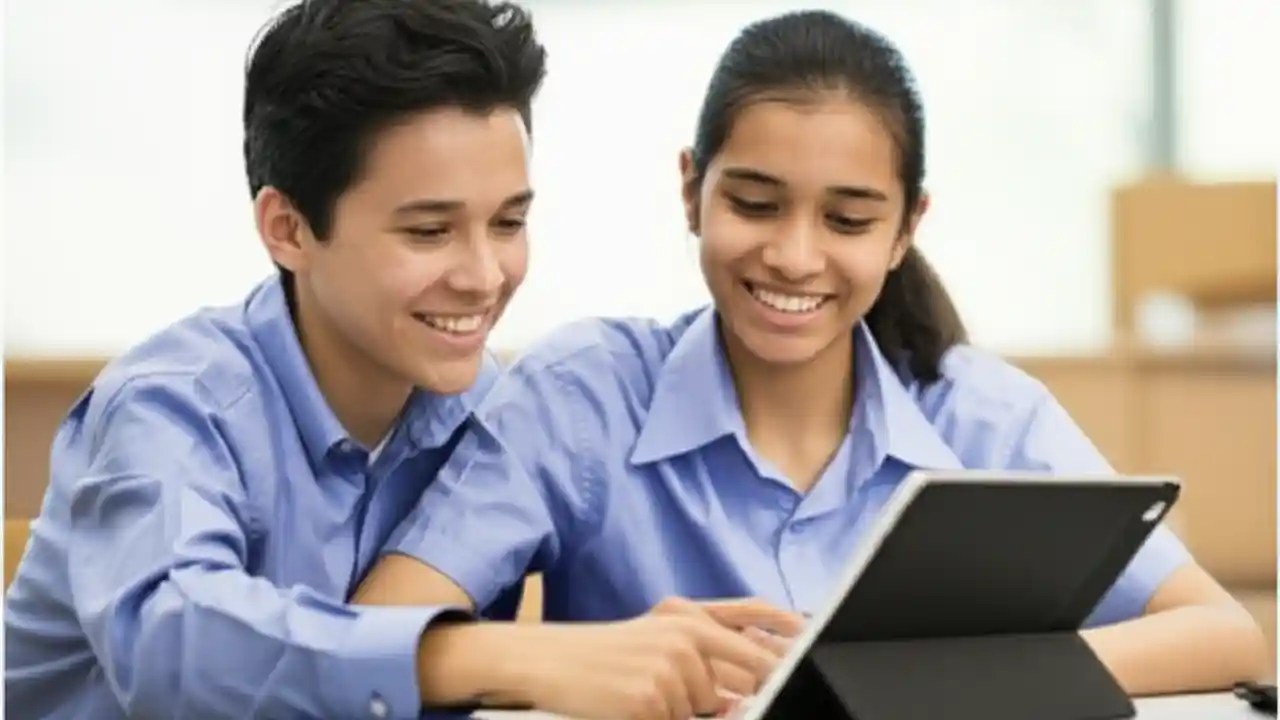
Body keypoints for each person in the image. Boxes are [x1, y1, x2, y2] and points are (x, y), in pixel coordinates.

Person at [356, 7, 1271, 710]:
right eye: (754, 204)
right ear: (691, 190)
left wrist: (902, 685)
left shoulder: (983, 415)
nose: (794, 256)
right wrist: (573, 664)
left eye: (848, 220)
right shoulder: (582, 395)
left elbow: (1224, 635)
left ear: (907, 227)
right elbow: (370, 632)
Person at [4, 2, 787, 718]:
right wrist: (469, 652)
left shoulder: (494, 414)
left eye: (508, 222)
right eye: (428, 232)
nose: (484, 275)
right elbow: (172, 643)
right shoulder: (169, 405)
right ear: (287, 228)